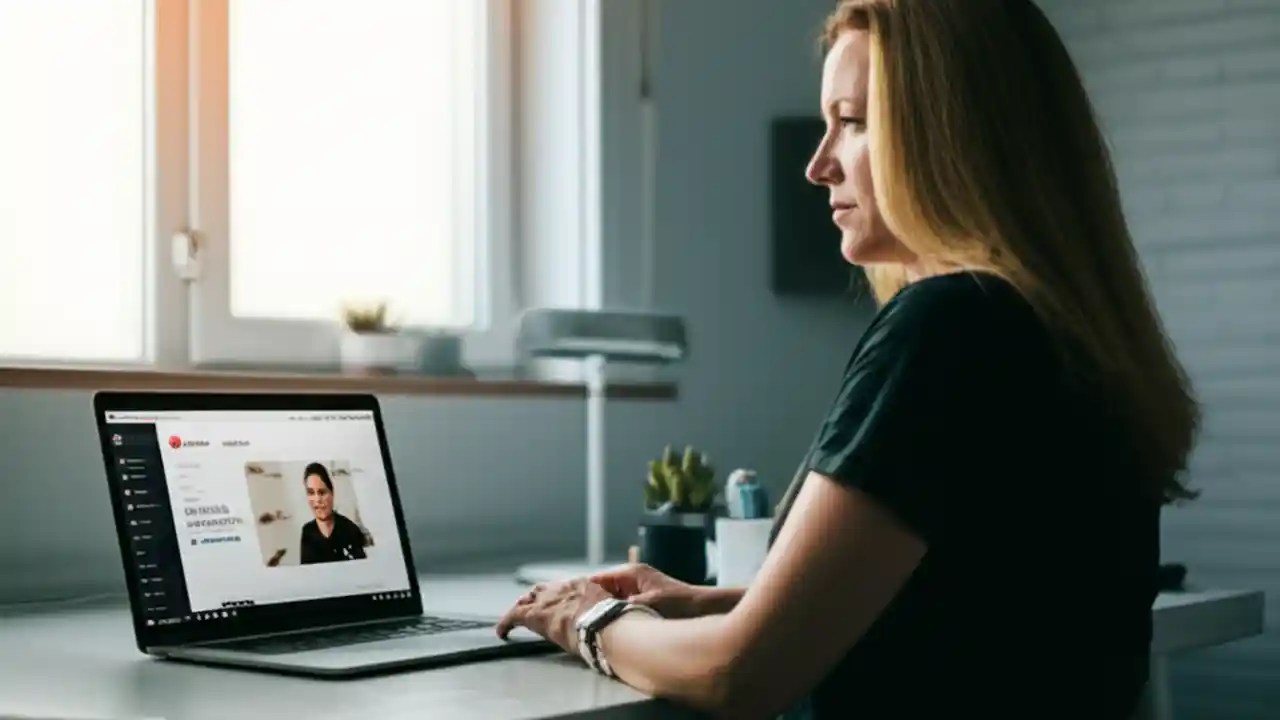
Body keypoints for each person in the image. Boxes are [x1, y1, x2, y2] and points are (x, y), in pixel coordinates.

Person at [495, 1, 1199, 718]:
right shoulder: (1064, 336)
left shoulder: (951, 328)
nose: (818, 163)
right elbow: (980, 610)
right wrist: (722, 603)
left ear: (952, 135)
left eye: (854, 121)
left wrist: (587, 618)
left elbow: (741, 676)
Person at [299, 462, 368, 565]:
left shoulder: (350, 530)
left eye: (322, 492)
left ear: (332, 493)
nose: (317, 500)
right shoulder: (307, 531)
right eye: (311, 493)